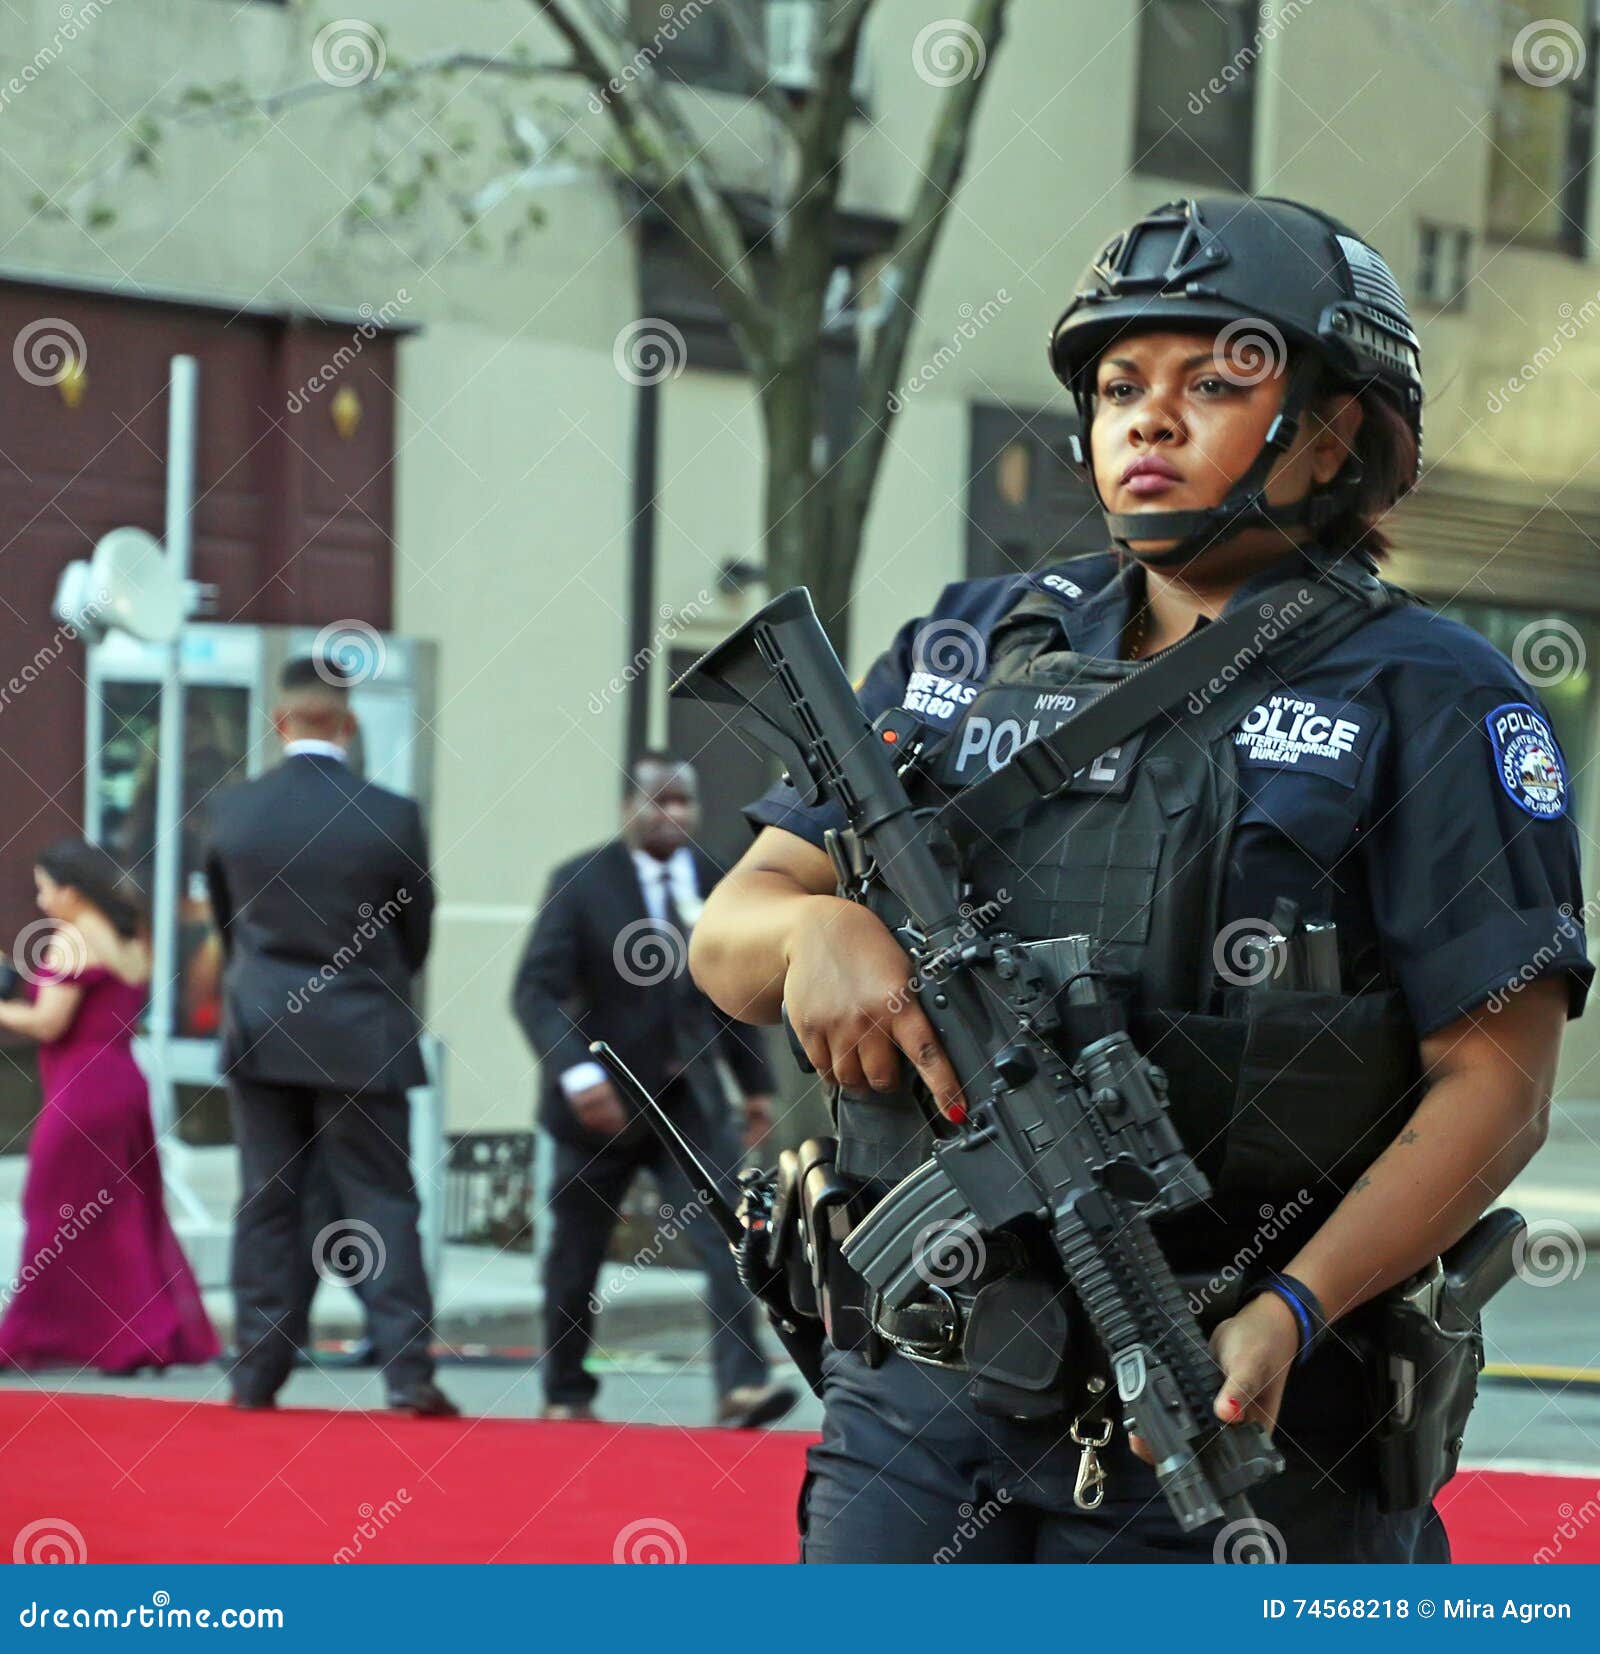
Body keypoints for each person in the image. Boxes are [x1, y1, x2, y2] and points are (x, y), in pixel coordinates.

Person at [688, 195, 1593, 1563]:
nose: (1148, 420)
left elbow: (1501, 1084)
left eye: (1215, 381)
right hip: (929, 1391)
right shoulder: (969, 644)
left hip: (1246, 1398)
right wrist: (816, 927)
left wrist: (1296, 1304)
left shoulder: (1437, 699)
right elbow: (729, 930)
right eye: (1120, 385)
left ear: (1337, 429)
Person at [512, 752, 797, 1427]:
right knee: (575, 1254)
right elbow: (535, 991)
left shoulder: (713, 883)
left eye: (683, 802)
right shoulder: (580, 882)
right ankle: (565, 1391)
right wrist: (580, 1075)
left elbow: (728, 996)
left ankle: (742, 1387)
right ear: (627, 808)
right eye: (657, 801)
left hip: (689, 1104)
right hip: (599, 1108)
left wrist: (756, 1088)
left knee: (727, 1238)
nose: (671, 814)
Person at [203, 656, 454, 1416]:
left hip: (261, 1027)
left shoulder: (234, 811)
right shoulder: (393, 814)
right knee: (380, 1198)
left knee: (268, 1200)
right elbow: (416, 933)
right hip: (361, 1031)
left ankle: (256, 1375)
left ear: (279, 723)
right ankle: (408, 1374)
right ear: (348, 723)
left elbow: (226, 923)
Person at [0, 839, 218, 1373]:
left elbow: (49, 1023)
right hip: (122, 1082)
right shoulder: (130, 936)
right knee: (119, 1213)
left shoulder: (70, 938)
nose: (42, 900)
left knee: (53, 1209)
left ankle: (36, 1334)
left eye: (45, 888)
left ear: (70, 890)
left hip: (82, 1089)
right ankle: (136, 1336)